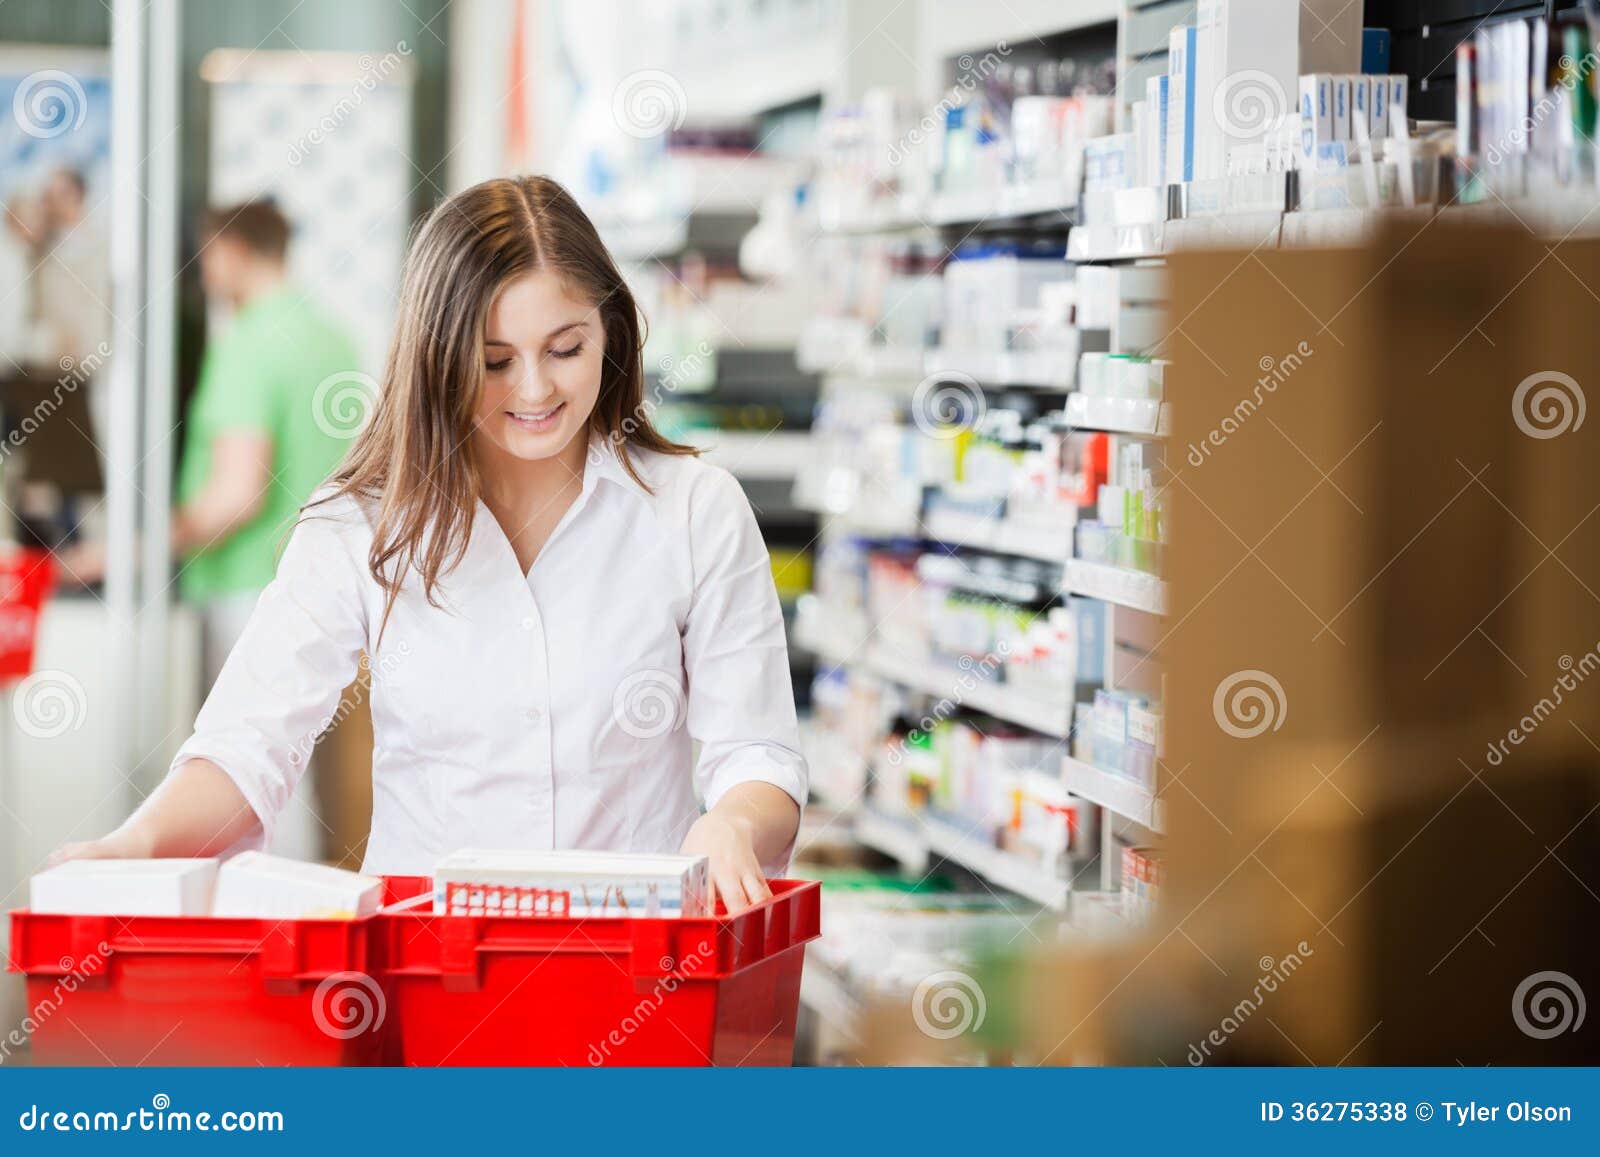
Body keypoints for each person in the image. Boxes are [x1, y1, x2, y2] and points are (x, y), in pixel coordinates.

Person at [55, 175, 806, 908]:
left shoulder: (693, 510)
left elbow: (759, 751)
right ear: (438, 355)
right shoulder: (360, 524)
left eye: (566, 348)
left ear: (609, 329)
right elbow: (247, 745)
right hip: (429, 977)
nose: (536, 389)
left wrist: (733, 821)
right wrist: (137, 843)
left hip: (636, 969)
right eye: (495, 362)